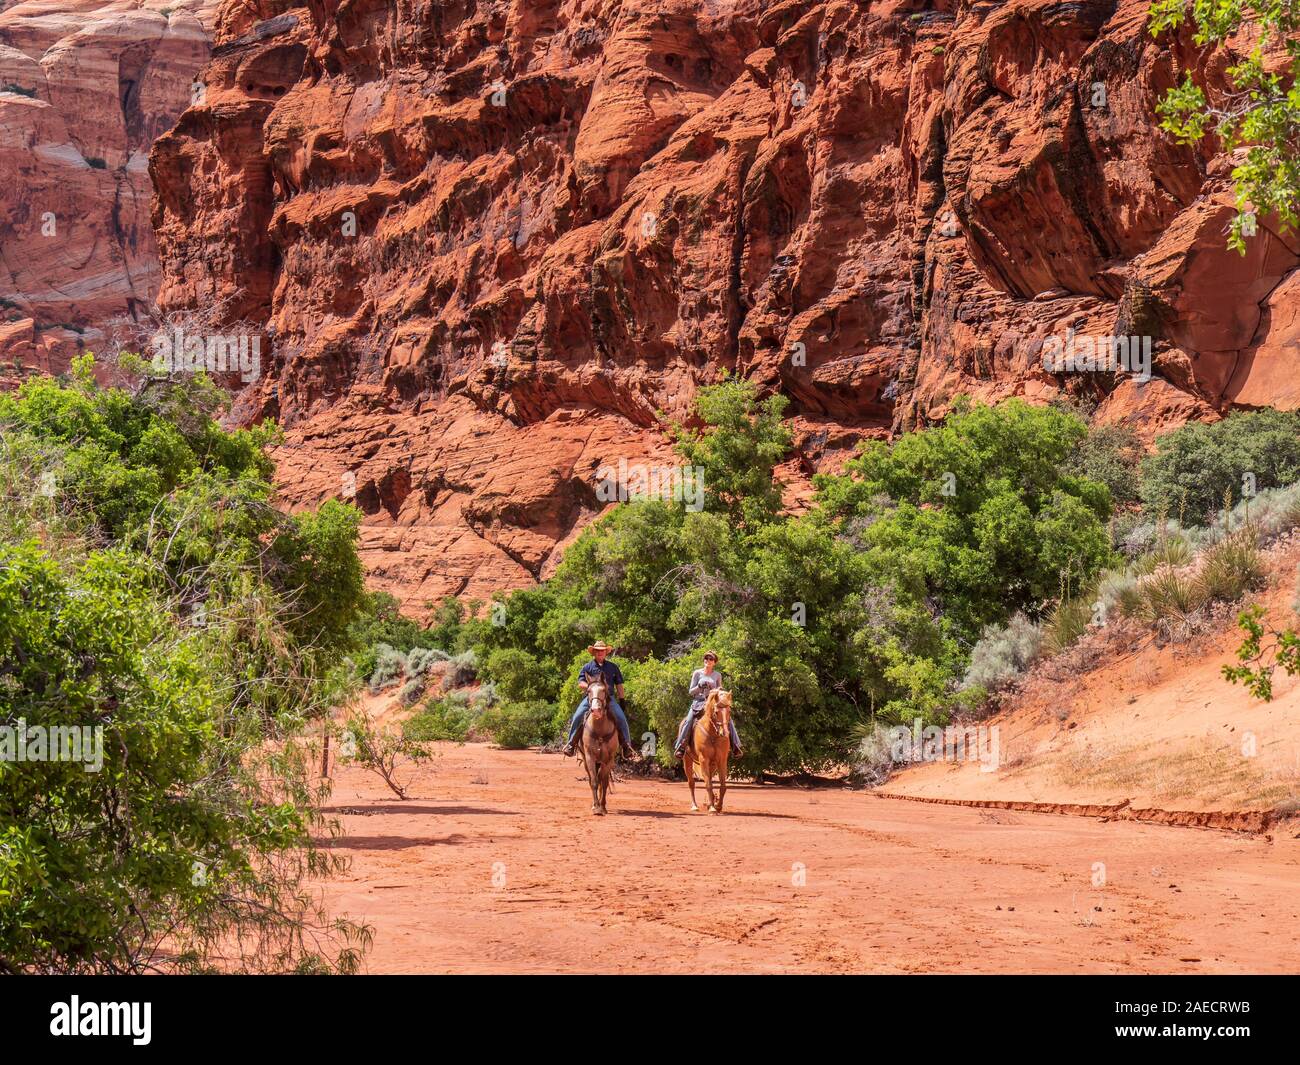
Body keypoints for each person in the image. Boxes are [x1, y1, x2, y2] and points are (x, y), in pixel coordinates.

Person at [562, 641, 636, 759]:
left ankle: (627, 746)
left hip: (609, 699)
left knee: (621, 718)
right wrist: (593, 688)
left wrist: (622, 700)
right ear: (594, 653)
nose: (600, 652)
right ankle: (571, 744)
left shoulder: (613, 667)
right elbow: (581, 683)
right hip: (591, 698)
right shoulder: (588, 667)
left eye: (602, 650)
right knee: (577, 716)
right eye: (597, 650)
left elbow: (619, 685)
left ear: (605, 652)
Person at [673, 651, 742, 758]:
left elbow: (720, 689)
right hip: (698, 702)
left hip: (712, 703)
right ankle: (681, 747)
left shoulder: (717, 675)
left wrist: (715, 690)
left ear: (714, 662)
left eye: (711, 659)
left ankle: (736, 746)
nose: (708, 661)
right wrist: (700, 686)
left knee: (728, 720)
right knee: (688, 720)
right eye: (706, 658)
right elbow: (691, 691)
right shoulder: (697, 673)